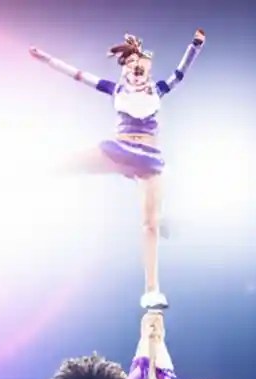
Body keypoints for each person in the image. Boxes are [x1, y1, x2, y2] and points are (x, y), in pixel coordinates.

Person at [29, 31, 206, 311]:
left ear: (146, 69)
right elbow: (78, 75)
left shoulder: (158, 89)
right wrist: (48, 60)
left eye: (141, 67)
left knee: (149, 224)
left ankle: (152, 290)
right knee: (71, 163)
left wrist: (195, 46)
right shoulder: (115, 89)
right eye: (131, 66)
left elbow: (180, 73)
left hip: (149, 160)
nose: (136, 72)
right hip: (120, 150)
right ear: (125, 70)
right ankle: (28, 173)